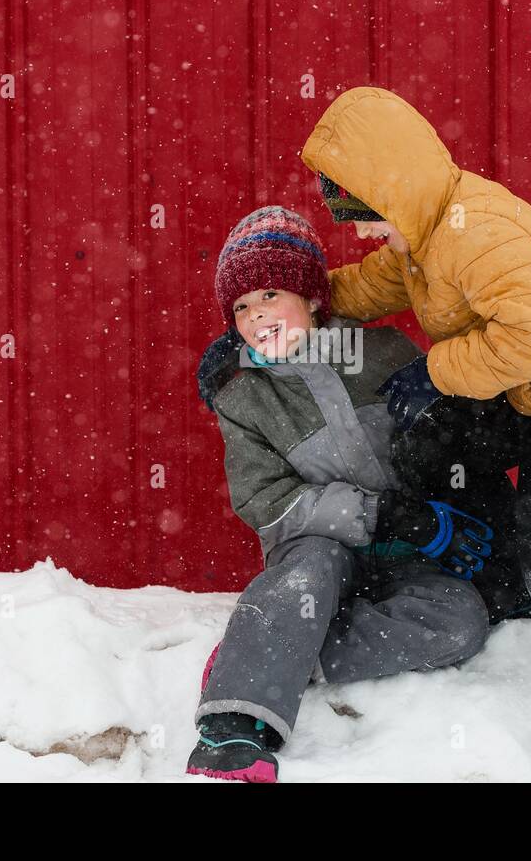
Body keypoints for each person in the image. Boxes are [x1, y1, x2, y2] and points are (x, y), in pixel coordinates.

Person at [200, 86, 531, 783]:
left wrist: (435, 368)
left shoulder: (476, 230)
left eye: (369, 218)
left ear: (393, 192)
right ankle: (492, 572)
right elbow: (358, 287)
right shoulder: (421, 238)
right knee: (439, 440)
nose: (367, 234)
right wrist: (262, 326)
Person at [188, 205, 497, 783]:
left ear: (311, 299)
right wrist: (373, 514)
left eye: (270, 295)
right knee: (307, 575)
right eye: (241, 307)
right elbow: (266, 500)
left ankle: (283, 652)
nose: (257, 316)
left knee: (460, 620)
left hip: (410, 551)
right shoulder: (246, 399)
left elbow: (446, 442)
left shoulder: (384, 354)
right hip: (317, 545)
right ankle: (232, 726)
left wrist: (438, 516)